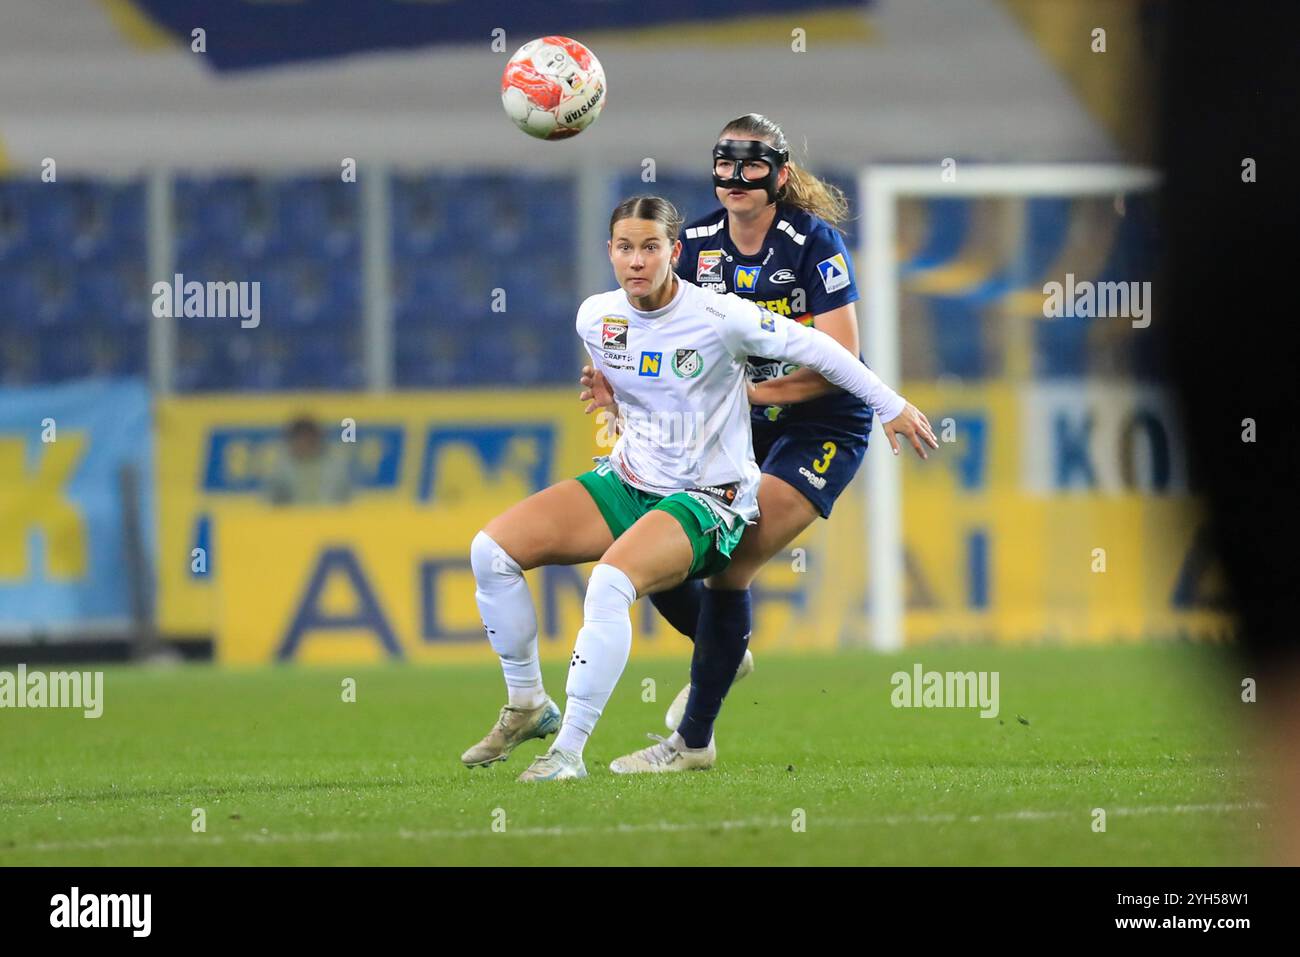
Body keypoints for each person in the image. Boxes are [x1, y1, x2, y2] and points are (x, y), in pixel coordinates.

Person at [462, 195, 935, 782]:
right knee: (490, 552)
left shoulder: (721, 316)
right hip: (631, 479)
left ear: (675, 252)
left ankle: (568, 753)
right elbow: (648, 385)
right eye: (625, 248)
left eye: (650, 247)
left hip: (709, 499)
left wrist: (890, 405)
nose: (637, 261)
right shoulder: (595, 318)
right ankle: (529, 703)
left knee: (610, 584)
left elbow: (821, 350)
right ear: (609, 252)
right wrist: (614, 399)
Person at [580, 113, 906, 770]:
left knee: (729, 566)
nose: (736, 177)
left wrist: (756, 394)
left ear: (779, 175)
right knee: (658, 535)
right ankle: (724, 651)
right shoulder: (696, 243)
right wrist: (619, 388)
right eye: (725, 164)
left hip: (822, 422)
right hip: (739, 421)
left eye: (752, 165)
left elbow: (841, 357)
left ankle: (691, 740)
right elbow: (656, 338)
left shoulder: (812, 244)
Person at [264, 416, 353, 505]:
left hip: (329, 513)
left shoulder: (335, 469)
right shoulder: (280, 471)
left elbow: (345, 501)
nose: (304, 443)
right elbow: (273, 502)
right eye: (300, 438)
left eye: (309, 438)